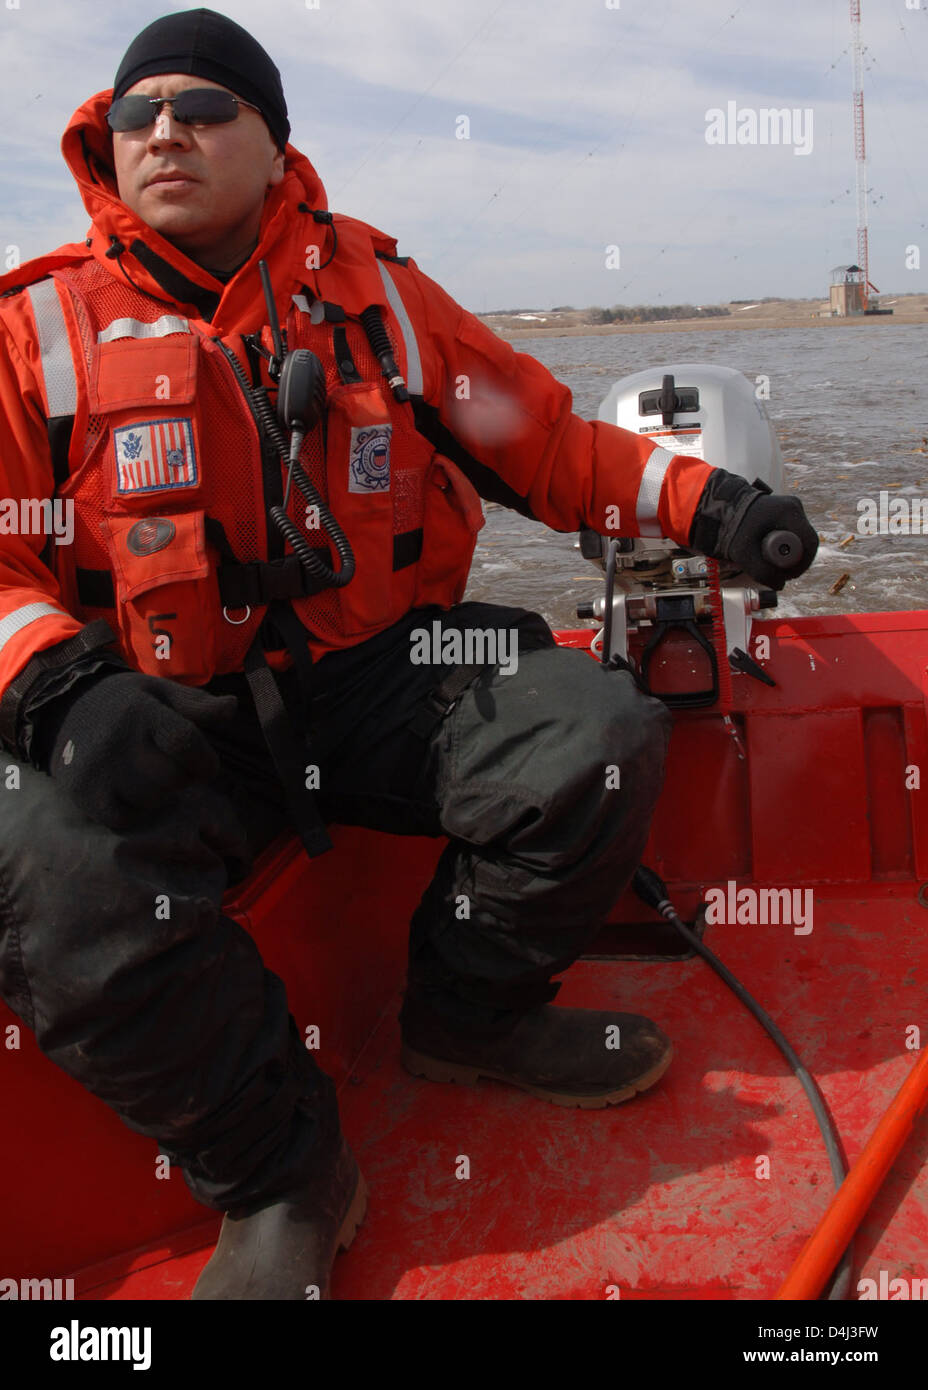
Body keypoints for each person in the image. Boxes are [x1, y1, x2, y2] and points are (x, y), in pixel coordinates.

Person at [0, 9, 817, 1300]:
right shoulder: (34, 330)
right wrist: (53, 686)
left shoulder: (375, 293)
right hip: (152, 718)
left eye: (204, 108)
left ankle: (469, 1013)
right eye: (138, 112)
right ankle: (280, 1170)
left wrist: (715, 509)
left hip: (369, 678)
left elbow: (546, 444)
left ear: (276, 147)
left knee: (594, 732)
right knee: (37, 870)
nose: (165, 130)